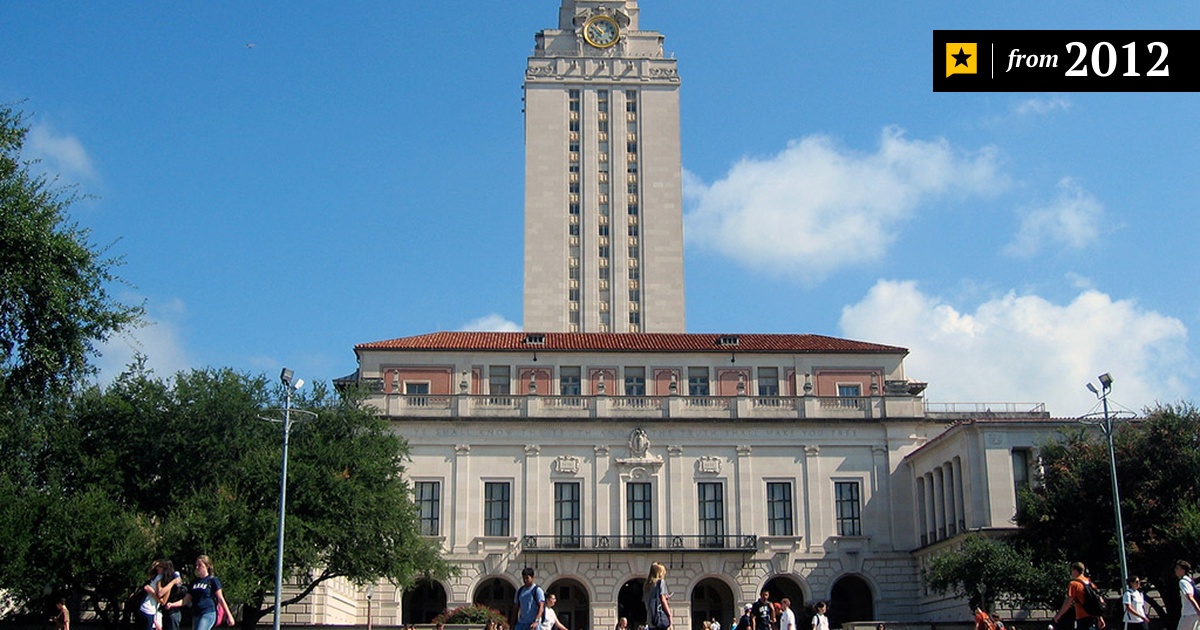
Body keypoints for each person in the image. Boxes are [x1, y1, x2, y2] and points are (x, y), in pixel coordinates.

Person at [169, 555, 235, 630]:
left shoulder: (212, 580)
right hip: (196, 613)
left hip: (208, 612)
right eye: (196, 565)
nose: (197, 567)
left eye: (200, 565)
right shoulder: (194, 582)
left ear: (207, 566)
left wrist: (229, 615)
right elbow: (185, 600)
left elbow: (220, 598)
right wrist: (172, 604)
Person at [1053, 561, 1104, 630]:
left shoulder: (1074, 584)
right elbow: (1098, 601)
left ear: (1075, 570)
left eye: (1072, 570)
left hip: (1082, 618)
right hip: (1093, 618)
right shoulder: (1091, 584)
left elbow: (1068, 601)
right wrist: (1100, 617)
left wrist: (1059, 615)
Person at [644, 562, 672, 630]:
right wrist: (669, 614)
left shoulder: (647, 584)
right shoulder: (660, 582)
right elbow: (662, 600)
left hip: (651, 618)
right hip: (659, 617)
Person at [136, 561, 164, 630]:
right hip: (148, 609)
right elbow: (160, 599)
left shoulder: (159, 578)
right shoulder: (155, 579)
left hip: (150, 610)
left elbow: (160, 597)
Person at [158, 560, 185, 630]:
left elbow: (179, 590)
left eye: (160, 567)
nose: (158, 568)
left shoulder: (174, 578)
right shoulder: (161, 579)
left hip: (173, 610)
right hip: (166, 611)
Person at [1177, 561, 1200, 630]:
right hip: (1194, 614)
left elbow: (1190, 597)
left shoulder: (1183, 582)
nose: (1175, 570)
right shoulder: (1190, 581)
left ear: (1183, 570)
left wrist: (1198, 610)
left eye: (1177, 568)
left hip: (1188, 614)